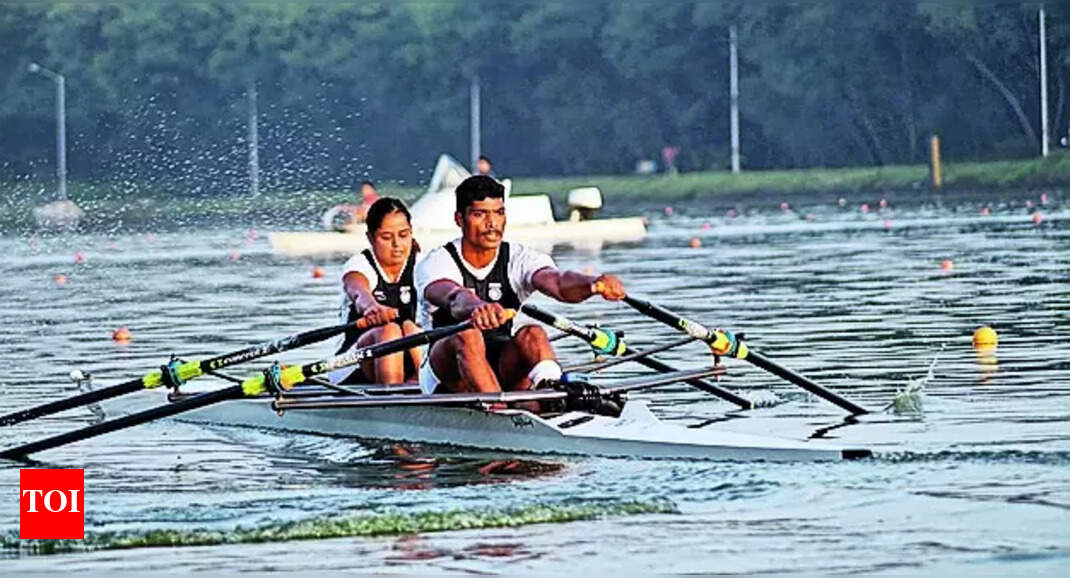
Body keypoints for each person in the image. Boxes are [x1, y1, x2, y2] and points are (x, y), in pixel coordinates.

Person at [414, 175, 626, 399]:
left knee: (532, 333)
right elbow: (454, 298)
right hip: (446, 375)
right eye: (480, 214)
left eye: (499, 213)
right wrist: (478, 307)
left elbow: (558, 282)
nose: (492, 224)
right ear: (460, 219)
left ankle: (552, 393)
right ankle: (499, 411)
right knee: (468, 335)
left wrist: (593, 284)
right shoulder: (437, 261)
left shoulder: (519, 257)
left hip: (501, 363)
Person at [329, 197, 422, 385]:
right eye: (386, 237)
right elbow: (357, 290)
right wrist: (371, 307)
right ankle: (393, 402)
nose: (397, 244)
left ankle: (423, 387)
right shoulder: (360, 264)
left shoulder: (423, 264)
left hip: (409, 360)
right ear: (371, 238)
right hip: (352, 363)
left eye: (403, 235)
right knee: (389, 331)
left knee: (411, 329)